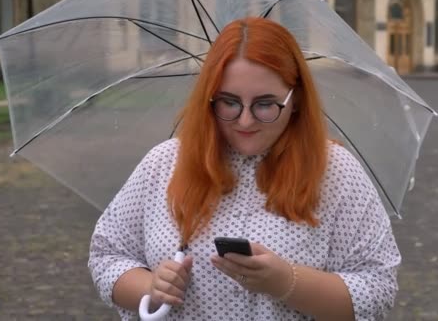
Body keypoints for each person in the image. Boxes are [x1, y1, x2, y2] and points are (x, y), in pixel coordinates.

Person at [88, 17, 401, 321]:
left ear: (296, 100)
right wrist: (150, 287)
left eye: (266, 104)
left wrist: (287, 283)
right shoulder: (164, 163)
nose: (246, 121)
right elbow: (107, 254)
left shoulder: (335, 171)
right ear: (208, 98)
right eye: (229, 102)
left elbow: (377, 288)